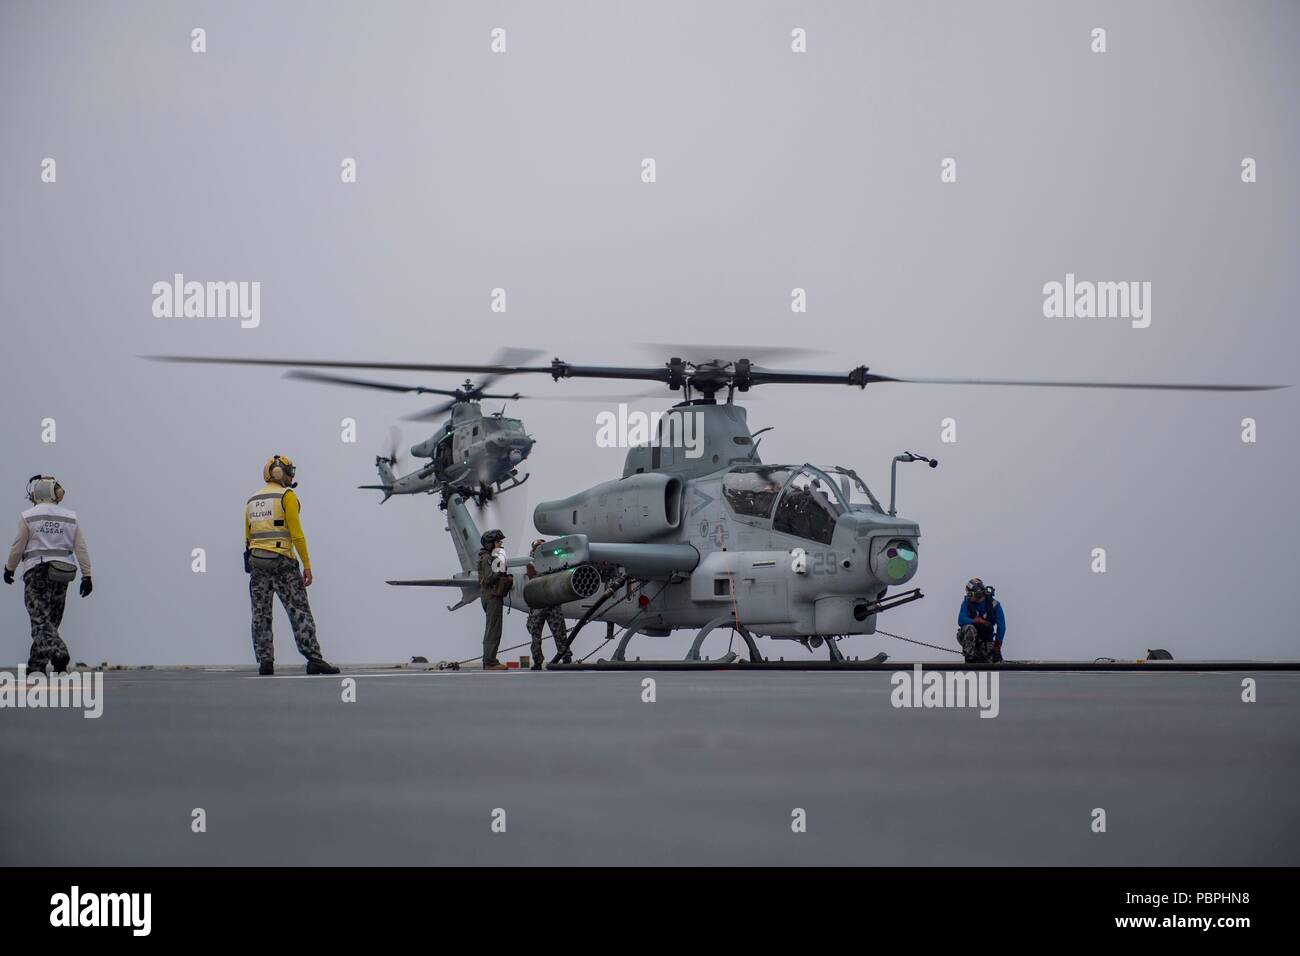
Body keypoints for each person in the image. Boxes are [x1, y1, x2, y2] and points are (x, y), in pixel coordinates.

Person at [245, 455, 338, 676]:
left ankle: (265, 662)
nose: (291, 475)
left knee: (260, 614)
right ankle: (314, 658)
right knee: (299, 611)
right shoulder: (287, 496)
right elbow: (297, 535)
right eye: (289, 471)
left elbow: (247, 537)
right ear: (279, 473)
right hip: (282, 563)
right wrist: (306, 565)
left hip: (257, 563)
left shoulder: (252, 500)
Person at [4, 475, 92, 674]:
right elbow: (81, 548)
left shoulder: (29, 516)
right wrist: (87, 575)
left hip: (37, 573)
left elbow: (18, 547)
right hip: (63, 574)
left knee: (40, 620)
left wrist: (10, 568)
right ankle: (37, 665)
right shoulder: (70, 517)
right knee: (50, 621)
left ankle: (59, 653)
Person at [524, 539, 569, 670]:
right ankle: (538, 660)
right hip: (540, 602)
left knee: (559, 632)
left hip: (550, 601)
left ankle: (565, 656)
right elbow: (532, 575)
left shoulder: (553, 560)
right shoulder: (532, 563)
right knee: (537, 634)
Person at [477, 529, 513, 670]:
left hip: (493, 596)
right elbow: (489, 578)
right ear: (490, 543)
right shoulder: (486, 558)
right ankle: (490, 661)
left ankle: (489, 659)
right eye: (497, 542)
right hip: (492, 596)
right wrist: (499, 558)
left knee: (494, 629)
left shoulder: (489, 557)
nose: (500, 544)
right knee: (493, 630)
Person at [956, 577, 1005, 663]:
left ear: (977, 594)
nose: (968, 596)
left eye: (970, 594)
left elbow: (1002, 627)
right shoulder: (967, 602)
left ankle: (985, 656)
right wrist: (975, 621)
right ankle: (970, 659)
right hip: (967, 637)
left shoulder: (994, 605)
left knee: (995, 660)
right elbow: (961, 620)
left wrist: (997, 646)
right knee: (970, 628)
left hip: (984, 638)